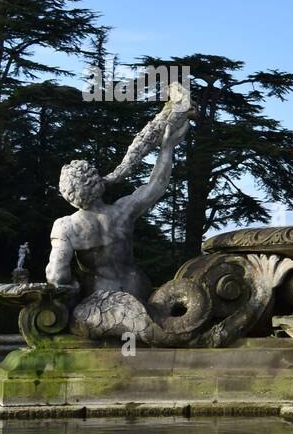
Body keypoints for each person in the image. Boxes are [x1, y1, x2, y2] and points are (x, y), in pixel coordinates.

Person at [46, 105, 190, 301]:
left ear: (68, 195)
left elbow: (57, 275)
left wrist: (72, 284)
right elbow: (157, 184)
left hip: (100, 299)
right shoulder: (123, 211)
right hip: (137, 291)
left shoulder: (66, 227)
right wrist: (167, 148)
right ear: (96, 183)